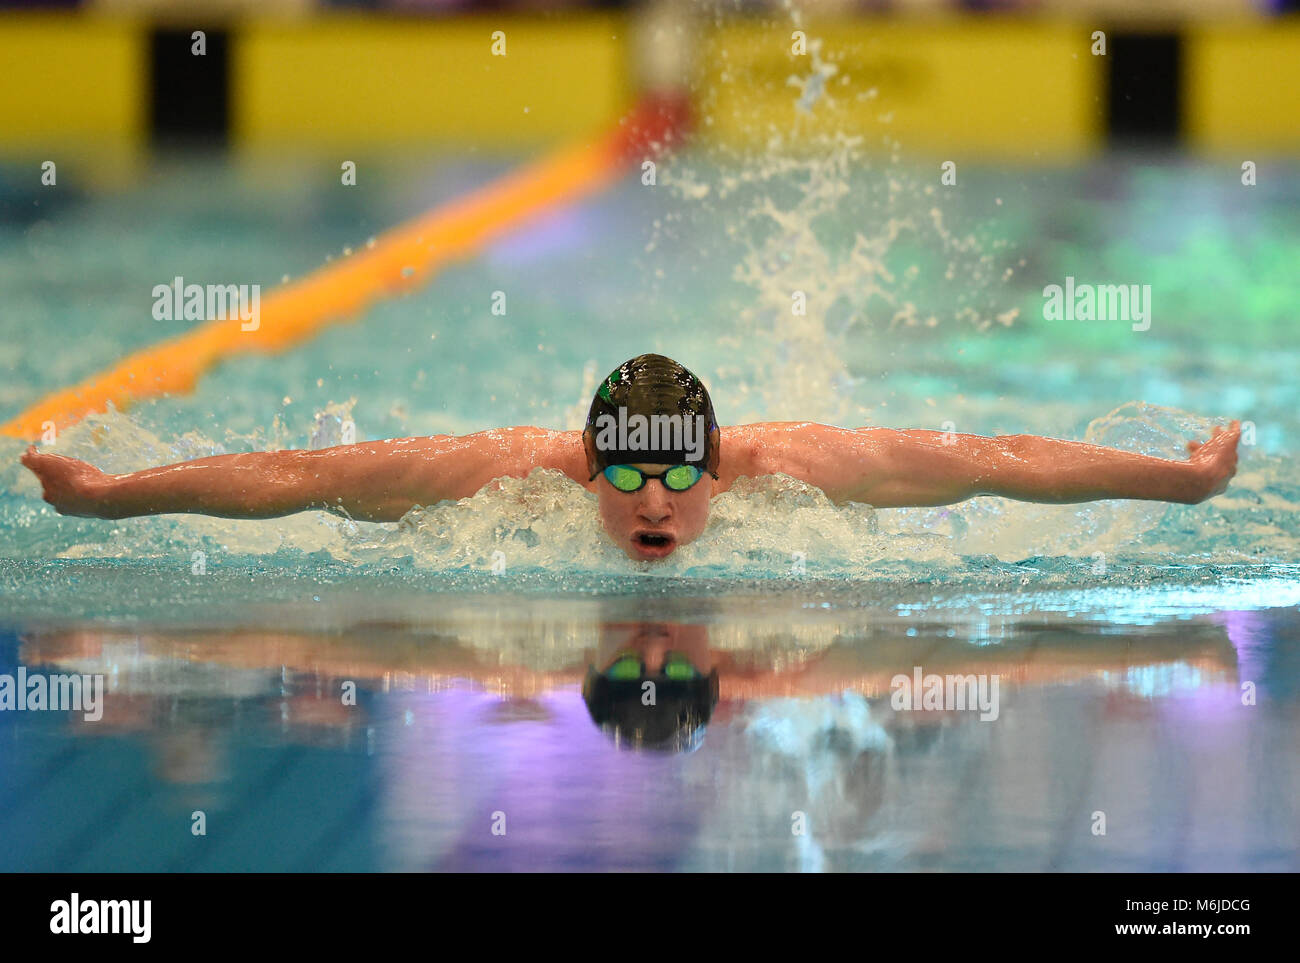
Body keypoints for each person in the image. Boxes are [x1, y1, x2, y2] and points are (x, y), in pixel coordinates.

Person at [19, 353, 1241, 562]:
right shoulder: (506, 477)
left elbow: (996, 461)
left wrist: (1181, 479)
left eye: (674, 476)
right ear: (584, 462)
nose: (651, 503)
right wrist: (107, 496)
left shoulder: (802, 467)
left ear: (719, 470)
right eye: (623, 475)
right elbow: (298, 480)